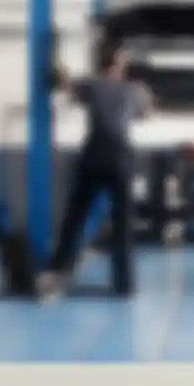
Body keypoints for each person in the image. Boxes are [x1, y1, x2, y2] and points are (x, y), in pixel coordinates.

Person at [39, 46, 153, 298]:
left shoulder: (91, 85)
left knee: (77, 213)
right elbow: (148, 114)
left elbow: (66, 86)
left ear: (100, 65)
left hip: (94, 153)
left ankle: (60, 266)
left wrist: (59, 67)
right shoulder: (136, 90)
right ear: (119, 67)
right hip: (120, 156)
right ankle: (124, 283)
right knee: (122, 221)